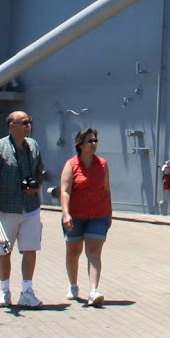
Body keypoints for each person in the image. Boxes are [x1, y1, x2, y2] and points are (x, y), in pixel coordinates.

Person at [0, 110, 45, 308]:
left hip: (30, 207)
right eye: (24, 122)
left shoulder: (33, 146)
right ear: (11, 125)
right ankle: (4, 291)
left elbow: (40, 171)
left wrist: (36, 186)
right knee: (4, 251)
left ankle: (27, 291)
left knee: (30, 249)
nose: (28, 125)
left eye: (29, 122)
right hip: (6, 208)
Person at [60, 126, 112, 306]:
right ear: (80, 144)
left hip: (98, 214)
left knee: (94, 252)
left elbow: (106, 190)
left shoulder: (102, 164)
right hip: (76, 215)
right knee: (73, 251)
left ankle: (93, 291)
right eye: (90, 141)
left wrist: (109, 214)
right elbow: (65, 191)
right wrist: (66, 213)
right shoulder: (71, 164)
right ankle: (73, 285)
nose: (93, 144)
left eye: (95, 141)